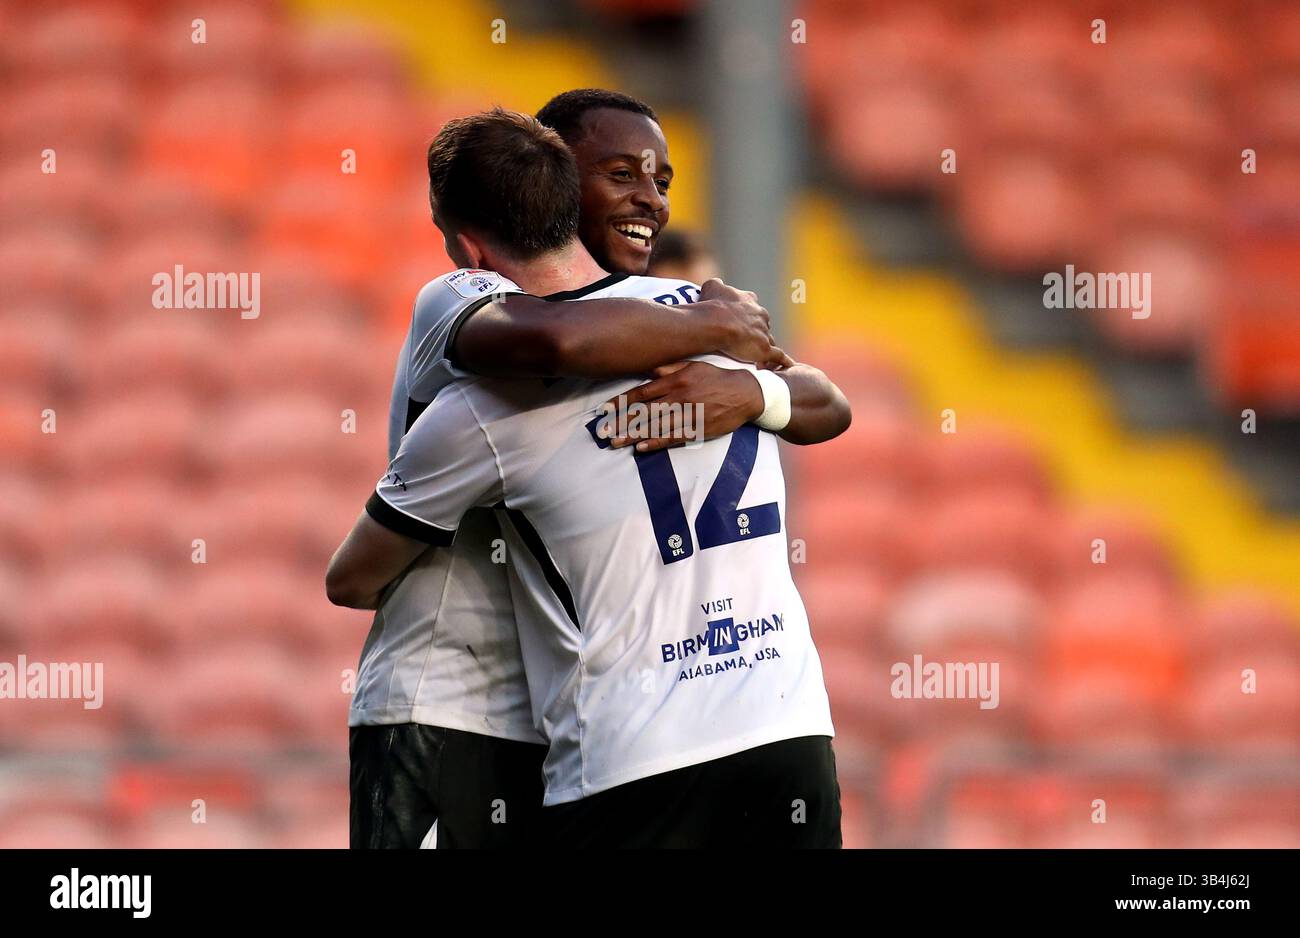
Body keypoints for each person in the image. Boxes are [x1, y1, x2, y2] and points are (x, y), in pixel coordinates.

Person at [329, 108, 842, 848]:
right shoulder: (491, 309)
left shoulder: (496, 405)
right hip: (458, 699)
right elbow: (558, 336)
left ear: (468, 240)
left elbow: (350, 580)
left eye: (661, 180)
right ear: (565, 193)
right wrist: (729, 333)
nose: (650, 200)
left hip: (600, 730)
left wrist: (755, 383)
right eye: (622, 174)